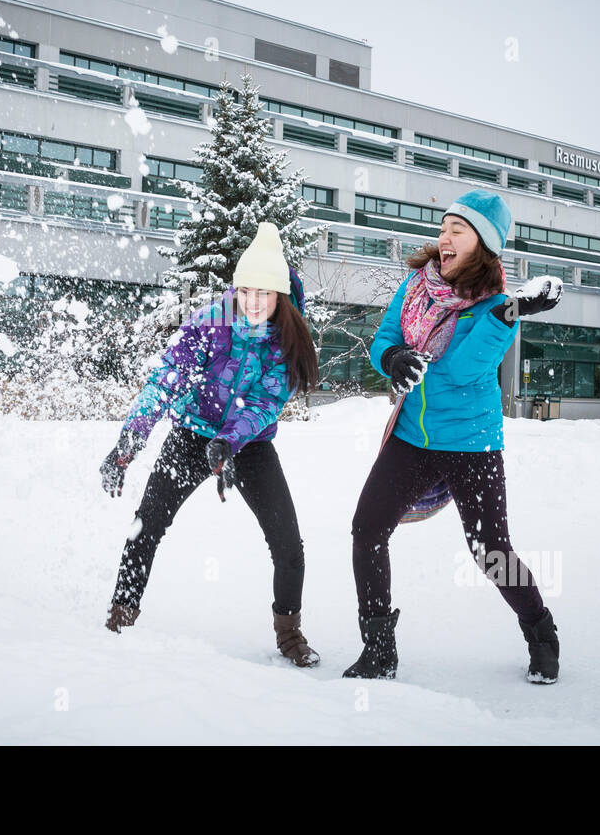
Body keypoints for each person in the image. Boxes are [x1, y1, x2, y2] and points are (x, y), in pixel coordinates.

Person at [343, 190, 564, 682]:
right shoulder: (417, 285)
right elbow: (384, 339)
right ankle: (379, 649)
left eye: (457, 231)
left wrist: (509, 313)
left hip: (469, 442)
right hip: (410, 436)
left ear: (482, 243)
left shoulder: (499, 306)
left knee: (491, 553)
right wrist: (393, 359)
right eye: (443, 228)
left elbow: (462, 371)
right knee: (367, 529)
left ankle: (541, 632)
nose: (444, 239)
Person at [99, 222, 323, 666]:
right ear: (236, 289)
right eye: (246, 291)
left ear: (280, 296)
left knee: (288, 543)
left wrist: (229, 440)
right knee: (147, 523)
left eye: (265, 293)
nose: (254, 302)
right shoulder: (209, 323)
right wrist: (130, 439)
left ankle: (289, 632)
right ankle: (121, 614)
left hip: (250, 444)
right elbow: (165, 380)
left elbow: (263, 402)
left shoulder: (286, 341)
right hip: (190, 433)